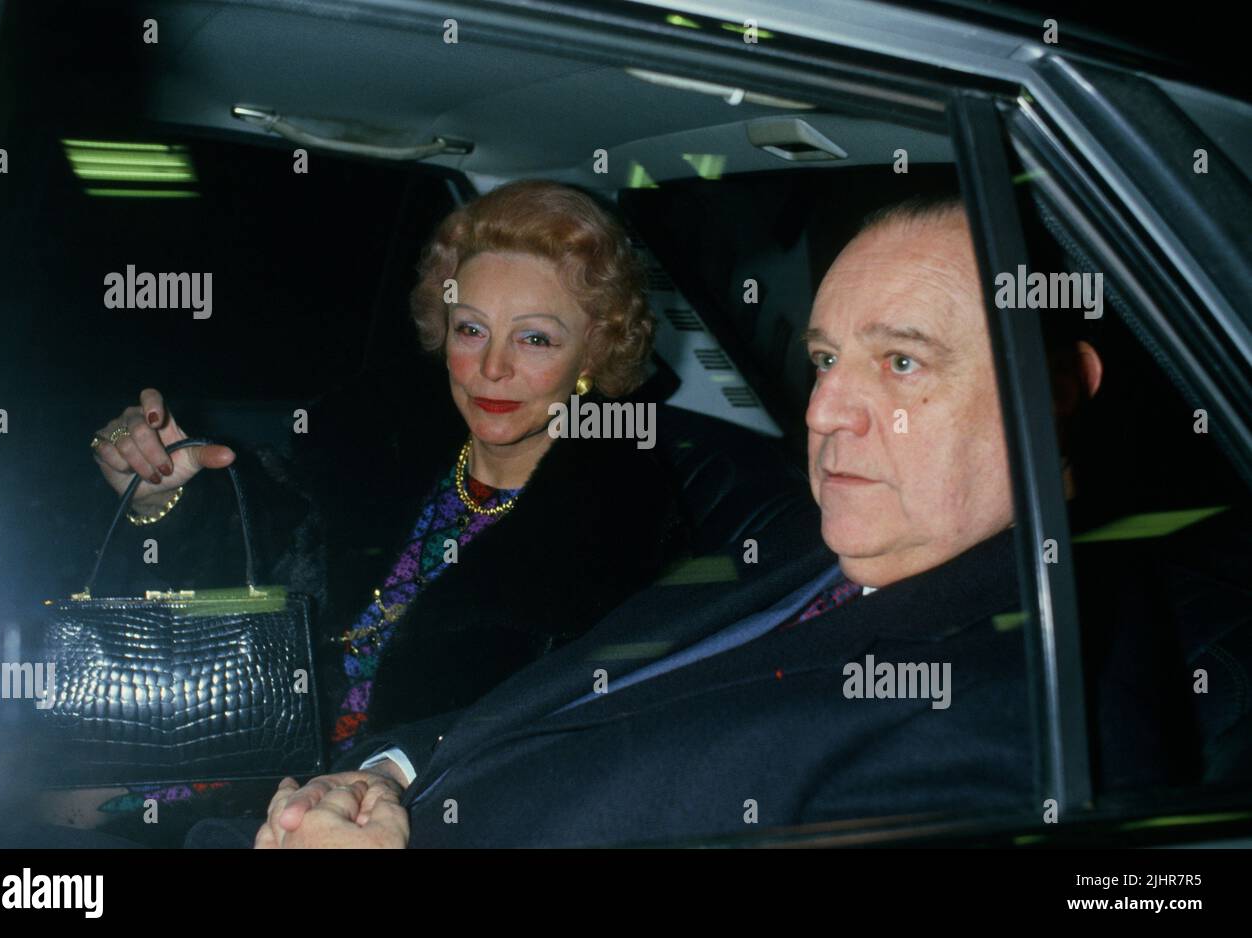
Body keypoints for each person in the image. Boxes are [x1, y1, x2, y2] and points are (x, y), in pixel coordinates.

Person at [184, 194, 1093, 849]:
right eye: (822, 360)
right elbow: (281, 572)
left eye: (900, 361)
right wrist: (380, 775)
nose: (820, 412)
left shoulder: (1028, 712)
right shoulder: (792, 555)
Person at [45, 180, 685, 838]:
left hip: (370, 808)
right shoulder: (381, 448)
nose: (491, 368)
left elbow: (561, 736)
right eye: (471, 329)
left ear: (594, 352)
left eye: (535, 340)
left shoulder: (619, 535)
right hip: (251, 730)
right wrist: (165, 493)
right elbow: (266, 530)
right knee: (46, 797)